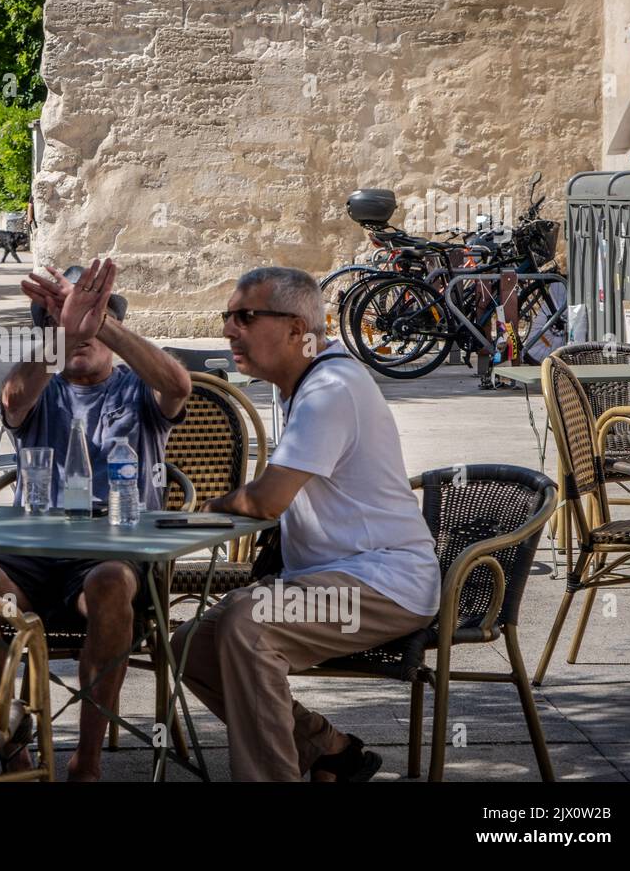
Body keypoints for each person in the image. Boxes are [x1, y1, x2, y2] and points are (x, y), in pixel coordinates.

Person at [171, 267, 441, 782]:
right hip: (330, 580)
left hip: (384, 583)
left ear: (299, 330)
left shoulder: (330, 389)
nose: (229, 330)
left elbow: (268, 500)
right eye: (227, 317)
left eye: (245, 317)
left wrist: (207, 509)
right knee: (190, 645)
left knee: (246, 626)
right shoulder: (299, 382)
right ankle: (328, 750)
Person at [0, 259, 191, 781]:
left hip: (112, 553)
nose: (81, 339)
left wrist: (95, 318)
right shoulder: (41, 386)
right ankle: (13, 749)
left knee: (107, 583)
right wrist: (64, 333)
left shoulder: (136, 388)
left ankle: (88, 758)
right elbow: (12, 401)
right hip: (33, 554)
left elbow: (178, 386)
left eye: (97, 328)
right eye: (56, 329)